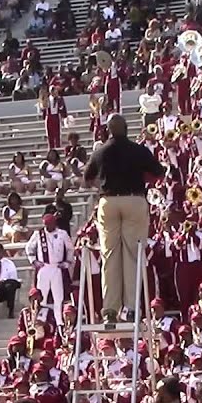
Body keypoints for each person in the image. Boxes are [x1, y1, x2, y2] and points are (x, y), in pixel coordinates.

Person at [83, 114, 164, 323]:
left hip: (108, 201)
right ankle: (130, 307)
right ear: (126, 129)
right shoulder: (138, 150)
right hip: (134, 200)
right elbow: (158, 172)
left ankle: (110, 308)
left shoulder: (100, 151)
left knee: (109, 255)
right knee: (132, 255)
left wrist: (103, 188)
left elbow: (87, 178)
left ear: (108, 130)